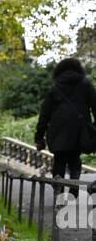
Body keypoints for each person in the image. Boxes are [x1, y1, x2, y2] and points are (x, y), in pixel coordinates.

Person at [35, 57, 96, 202]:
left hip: (58, 131)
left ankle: (59, 192)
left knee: (59, 161)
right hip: (79, 130)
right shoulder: (86, 85)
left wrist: (39, 137)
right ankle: (73, 189)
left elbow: (44, 114)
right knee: (75, 159)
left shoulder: (55, 88)